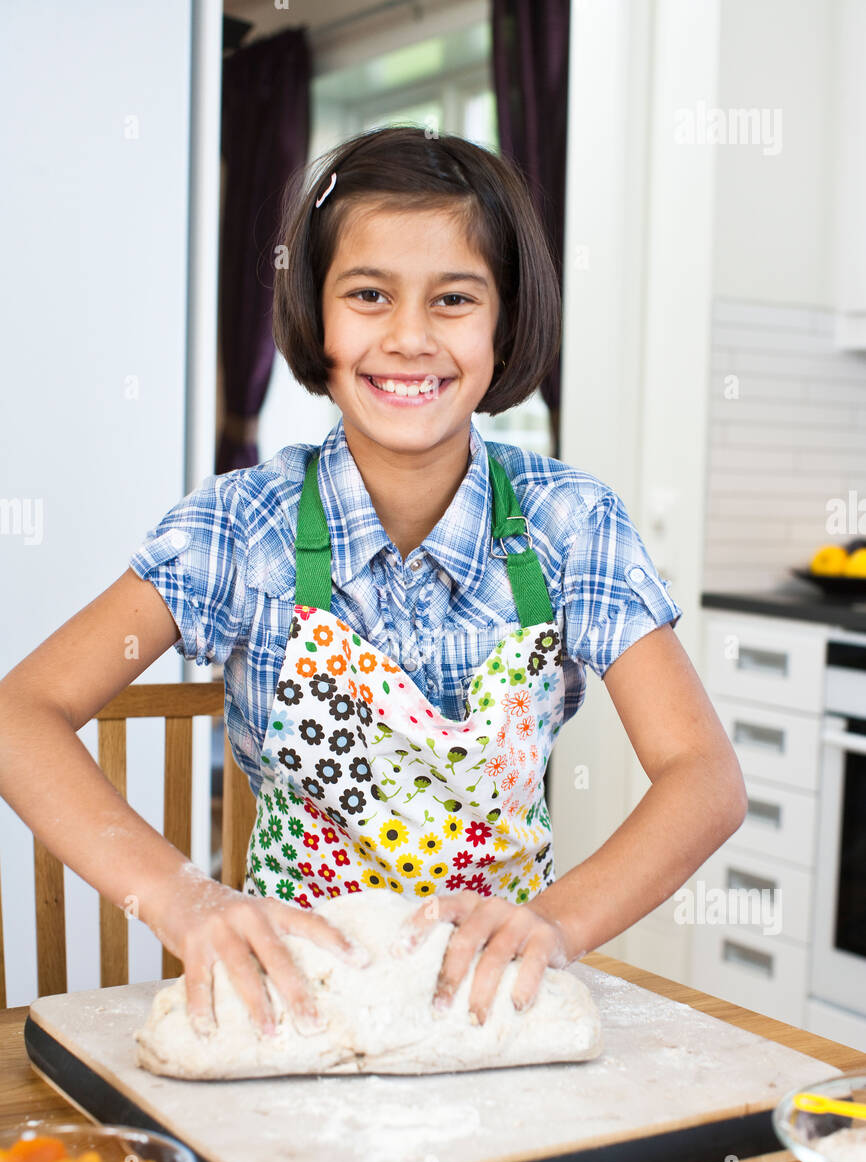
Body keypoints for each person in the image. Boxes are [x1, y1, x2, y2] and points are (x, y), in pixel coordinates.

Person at [0, 126, 746, 1040]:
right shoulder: (245, 527)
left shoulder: (570, 525)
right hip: (292, 1004)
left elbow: (704, 777)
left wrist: (559, 921)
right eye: (368, 294)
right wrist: (180, 897)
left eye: (455, 299)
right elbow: (19, 713)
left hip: (491, 1005)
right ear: (317, 314)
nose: (408, 337)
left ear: (507, 322)